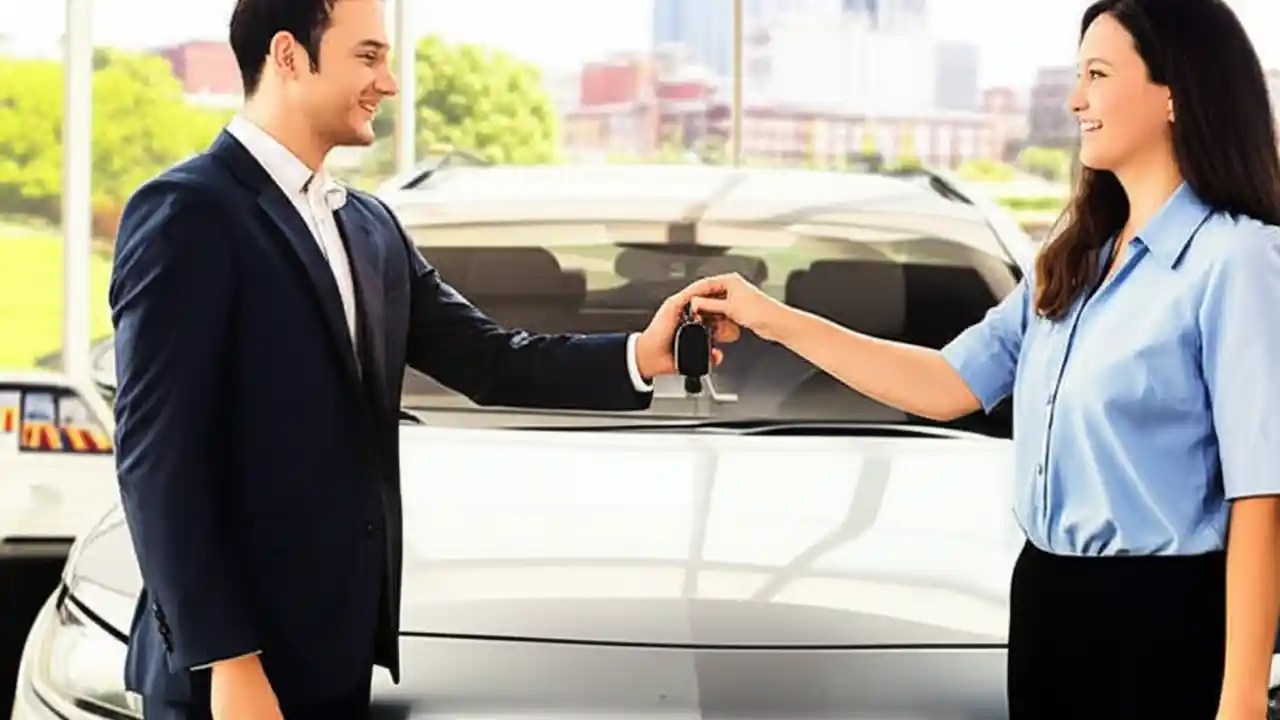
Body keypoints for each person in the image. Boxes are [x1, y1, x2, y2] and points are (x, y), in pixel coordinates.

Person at [108, 1, 733, 718]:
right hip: (229, 682)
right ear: (288, 56)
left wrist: (640, 355)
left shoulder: (368, 224)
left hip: (333, 660)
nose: (391, 82)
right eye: (368, 57)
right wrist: (229, 661)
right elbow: (158, 459)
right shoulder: (187, 214)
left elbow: (489, 360)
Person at [687, 0, 1280, 717]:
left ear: (1175, 94)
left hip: (1163, 620)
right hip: (1047, 605)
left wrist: (1242, 699)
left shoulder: (1236, 260)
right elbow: (946, 384)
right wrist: (774, 320)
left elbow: (1261, 492)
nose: (1074, 99)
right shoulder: (1074, 263)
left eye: (1096, 73)